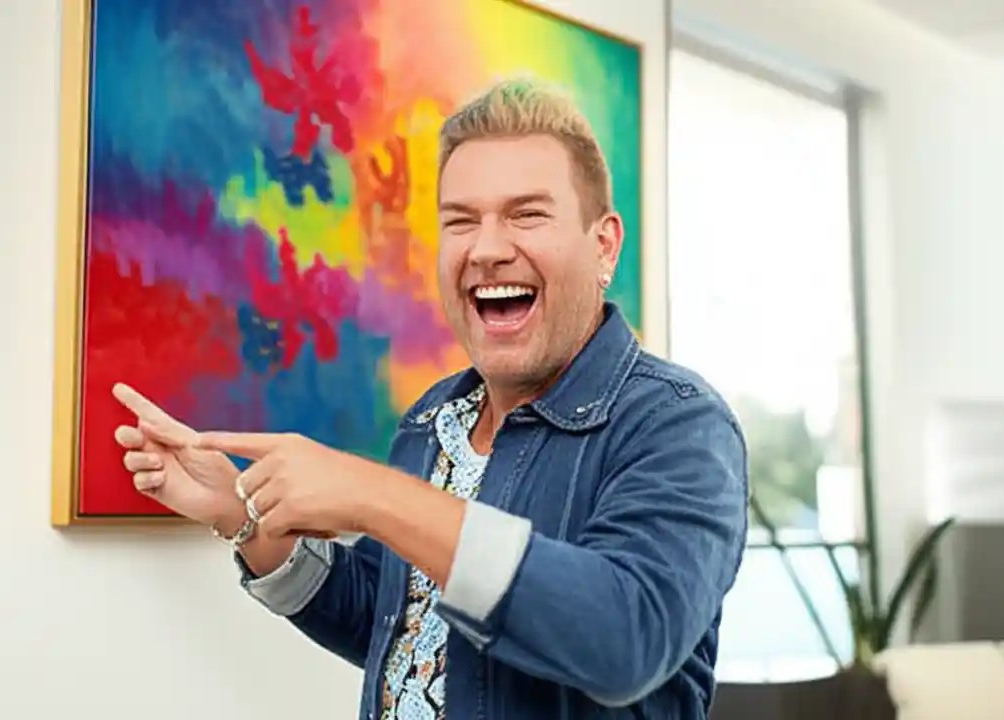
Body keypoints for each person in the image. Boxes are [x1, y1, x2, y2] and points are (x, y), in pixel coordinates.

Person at [112, 78, 748, 719]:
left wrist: (372, 495)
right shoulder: (431, 420)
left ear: (603, 244)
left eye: (527, 214)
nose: (489, 248)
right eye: (461, 221)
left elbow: (625, 638)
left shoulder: (679, 424)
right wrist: (243, 516)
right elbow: (397, 629)